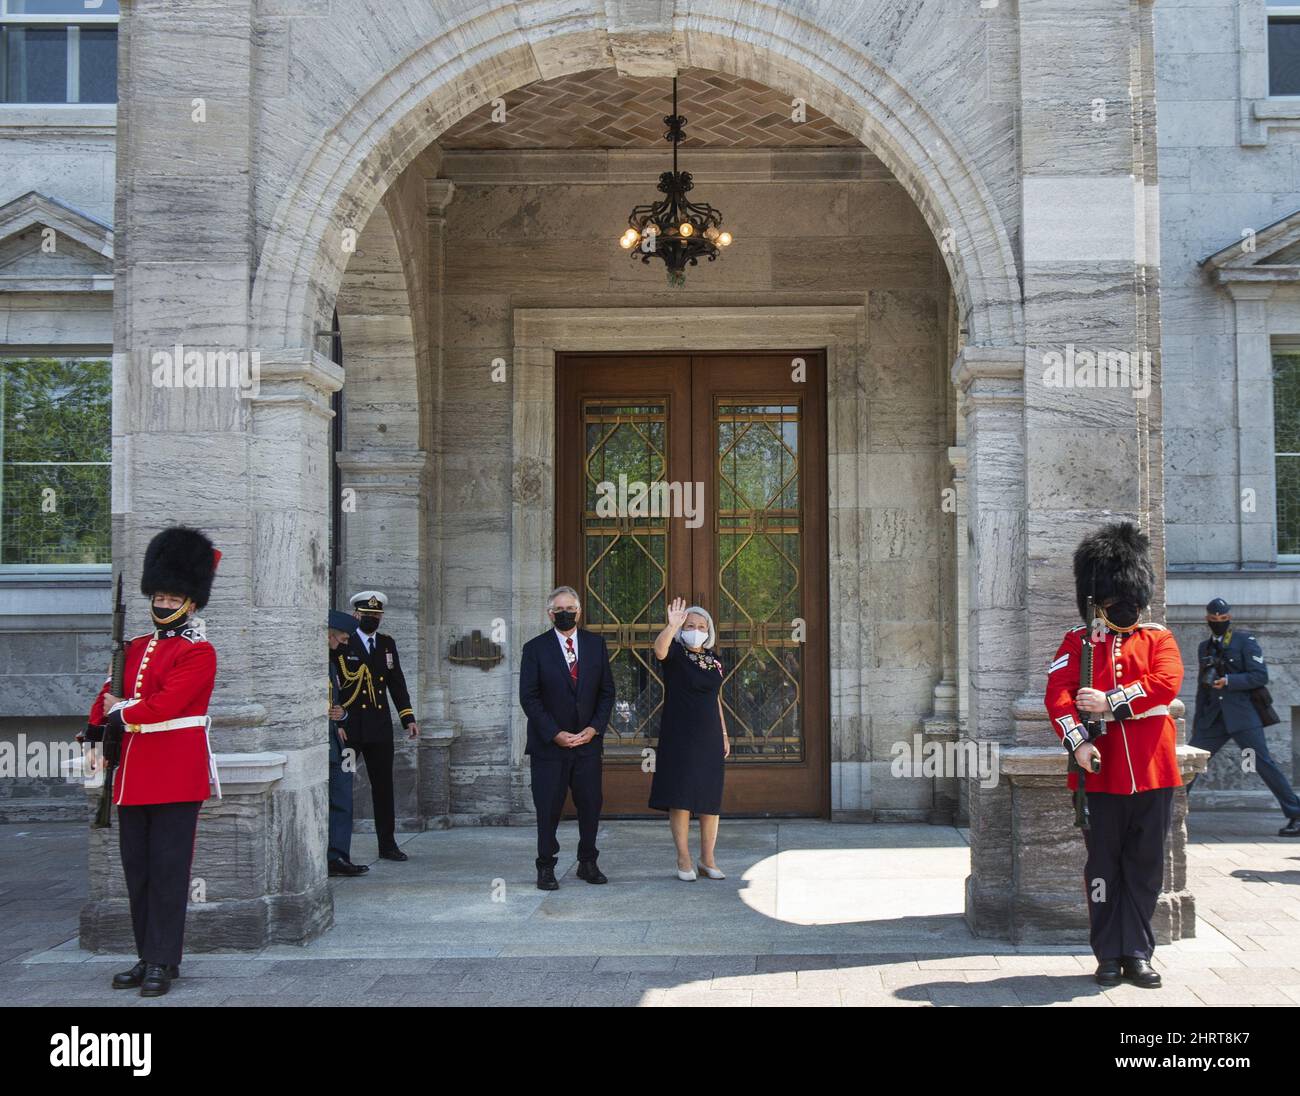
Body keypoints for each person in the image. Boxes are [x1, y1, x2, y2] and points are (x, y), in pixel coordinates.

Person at [1044, 521, 1183, 990]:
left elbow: (1166, 683)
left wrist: (1110, 703)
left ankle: (1138, 952)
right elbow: (1058, 695)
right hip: (1100, 776)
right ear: (1095, 600)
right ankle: (1106, 954)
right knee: (1102, 868)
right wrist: (1079, 744)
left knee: (1144, 868)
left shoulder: (1158, 638)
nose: (1123, 607)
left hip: (1152, 773)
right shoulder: (1077, 643)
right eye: (1112, 599)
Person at [82, 526, 221, 998]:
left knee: (168, 872)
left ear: (191, 602)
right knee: (137, 872)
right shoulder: (135, 647)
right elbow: (106, 696)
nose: (162, 603)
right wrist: (98, 720)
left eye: (172, 596)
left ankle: (165, 958)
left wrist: (119, 711)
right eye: (158, 595)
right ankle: (147, 955)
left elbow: (166, 705)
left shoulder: (199, 652)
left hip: (176, 774)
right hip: (132, 777)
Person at [518, 585, 615, 890]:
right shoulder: (534, 649)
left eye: (570, 609)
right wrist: (555, 733)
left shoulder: (595, 645)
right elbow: (529, 698)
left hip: (587, 745)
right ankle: (546, 866)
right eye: (559, 610)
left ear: (579, 611)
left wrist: (594, 728)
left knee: (590, 805)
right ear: (550, 614)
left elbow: (606, 692)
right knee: (548, 809)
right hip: (550, 747)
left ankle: (588, 862)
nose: (566, 614)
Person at [1189, 597, 1300, 837]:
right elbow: (1202, 687)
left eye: (1223, 619)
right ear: (1207, 619)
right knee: (1190, 763)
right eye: (1214, 619)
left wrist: (1229, 681)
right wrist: (1198, 721)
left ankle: (1296, 814)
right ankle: (1168, 813)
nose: (1218, 622)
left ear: (1229, 618)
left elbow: (1259, 676)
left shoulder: (1244, 641)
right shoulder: (1204, 647)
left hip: (1242, 716)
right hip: (1213, 719)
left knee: (1264, 764)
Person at [649, 597, 729, 881]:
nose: (695, 629)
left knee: (710, 797)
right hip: (679, 733)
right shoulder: (675, 654)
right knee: (681, 795)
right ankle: (683, 858)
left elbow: (715, 697)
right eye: (690, 625)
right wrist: (671, 626)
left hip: (709, 733)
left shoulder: (715, 660)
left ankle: (707, 859)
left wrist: (723, 732)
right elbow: (659, 650)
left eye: (701, 625)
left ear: (709, 631)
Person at [335, 591, 418, 862]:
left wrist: (408, 717)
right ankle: (338, 851)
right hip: (350, 728)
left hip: (379, 728)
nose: (372, 619)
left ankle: (387, 844)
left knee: (383, 787)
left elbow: (396, 682)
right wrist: (334, 718)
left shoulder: (386, 644)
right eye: (367, 615)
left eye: (377, 616)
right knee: (341, 787)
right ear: (356, 615)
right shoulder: (343, 643)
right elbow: (332, 682)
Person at [327, 609, 367, 877]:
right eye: (340, 639)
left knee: (342, 797)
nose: (342, 644)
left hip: (334, 738)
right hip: (321, 740)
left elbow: (338, 701)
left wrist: (342, 717)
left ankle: (338, 856)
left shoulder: (330, 662)